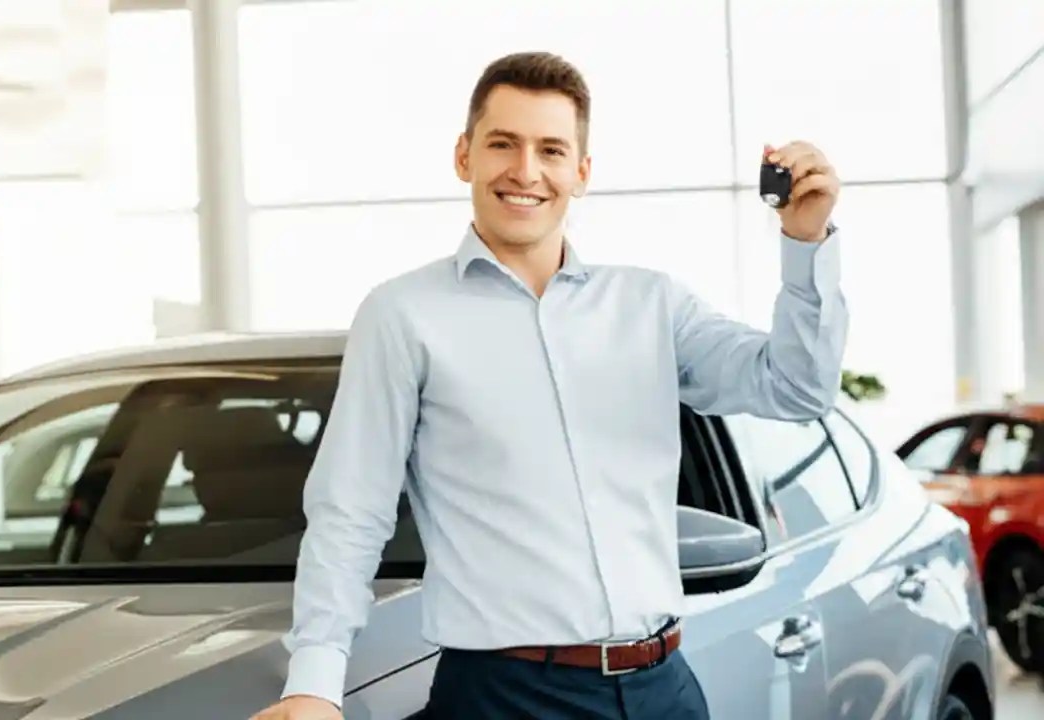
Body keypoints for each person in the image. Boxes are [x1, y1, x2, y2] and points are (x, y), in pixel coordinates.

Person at [251, 51, 847, 719]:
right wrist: (314, 684)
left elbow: (796, 390)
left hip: (664, 689)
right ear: (463, 156)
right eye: (502, 143)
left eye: (551, 150)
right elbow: (351, 510)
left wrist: (806, 242)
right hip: (507, 698)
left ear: (581, 172)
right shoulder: (402, 316)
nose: (526, 171)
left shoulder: (652, 305)